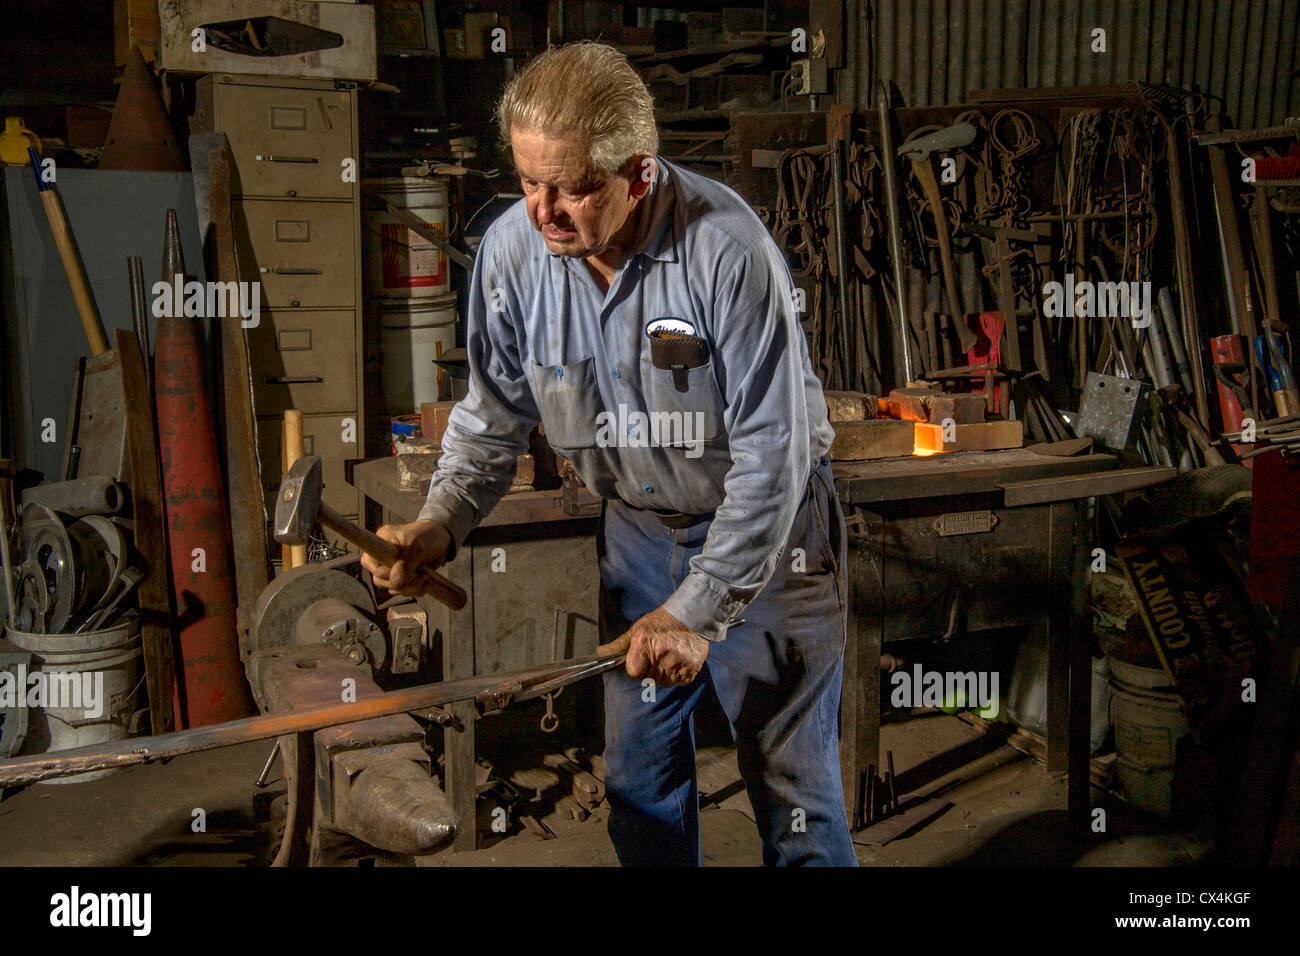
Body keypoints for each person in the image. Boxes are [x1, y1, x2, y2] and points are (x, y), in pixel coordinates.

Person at [363, 41, 856, 867]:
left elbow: (774, 453)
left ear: (642, 172)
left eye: (575, 187)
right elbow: (492, 413)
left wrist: (702, 611)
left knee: (790, 785)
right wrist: (440, 522)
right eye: (527, 181)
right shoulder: (511, 254)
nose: (543, 210)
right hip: (638, 538)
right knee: (639, 779)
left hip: (772, 541)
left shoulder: (726, 251)